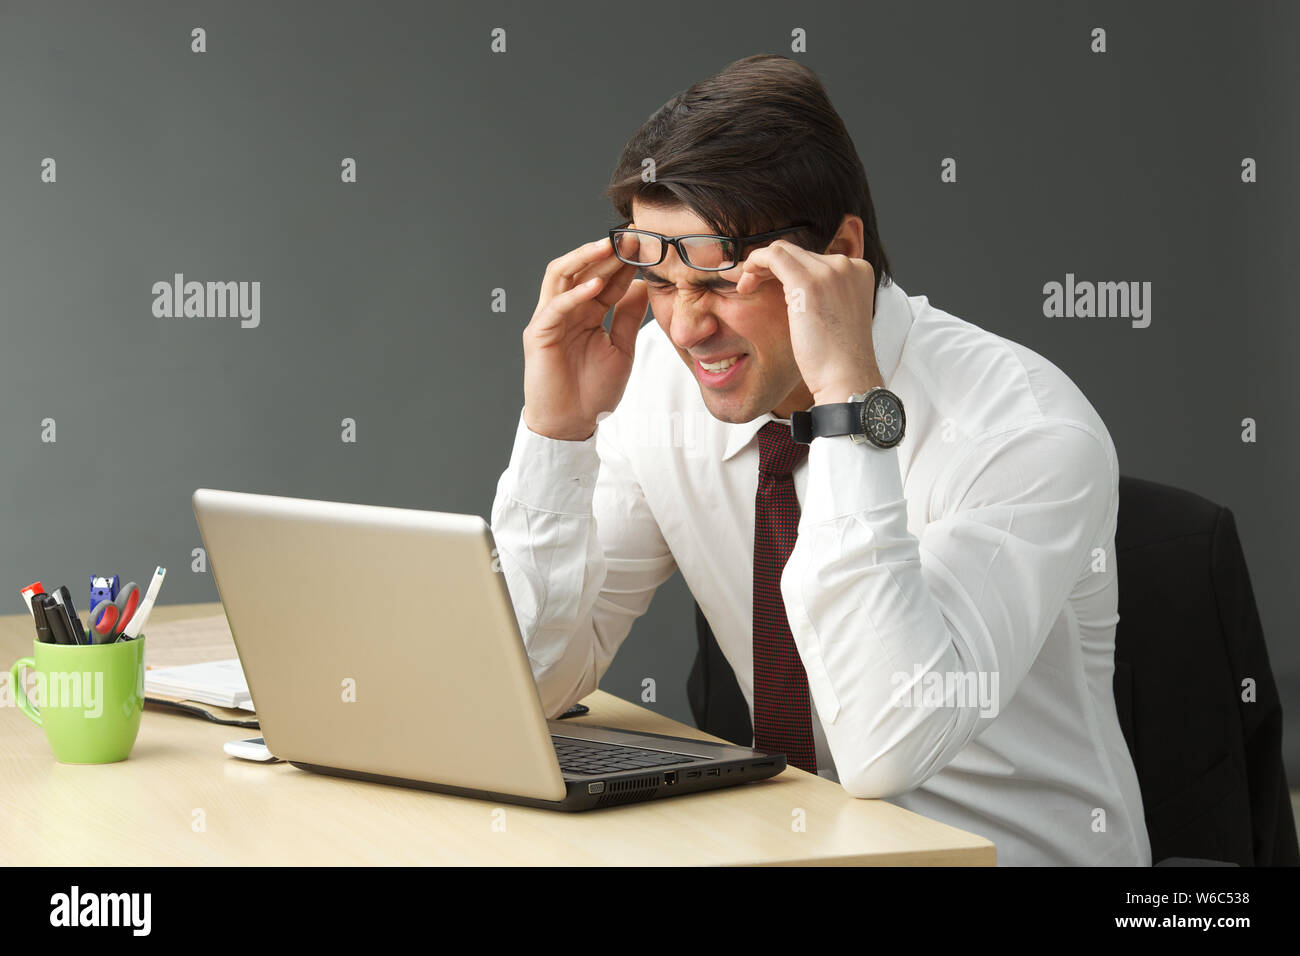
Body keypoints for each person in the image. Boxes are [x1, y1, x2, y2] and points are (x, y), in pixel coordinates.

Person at [490, 53, 1151, 866]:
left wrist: (846, 413)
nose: (687, 327)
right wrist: (558, 432)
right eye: (658, 281)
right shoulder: (659, 388)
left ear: (841, 252)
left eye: (725, 275)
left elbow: (887, 745)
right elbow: (532, 687)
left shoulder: (1026, 428)